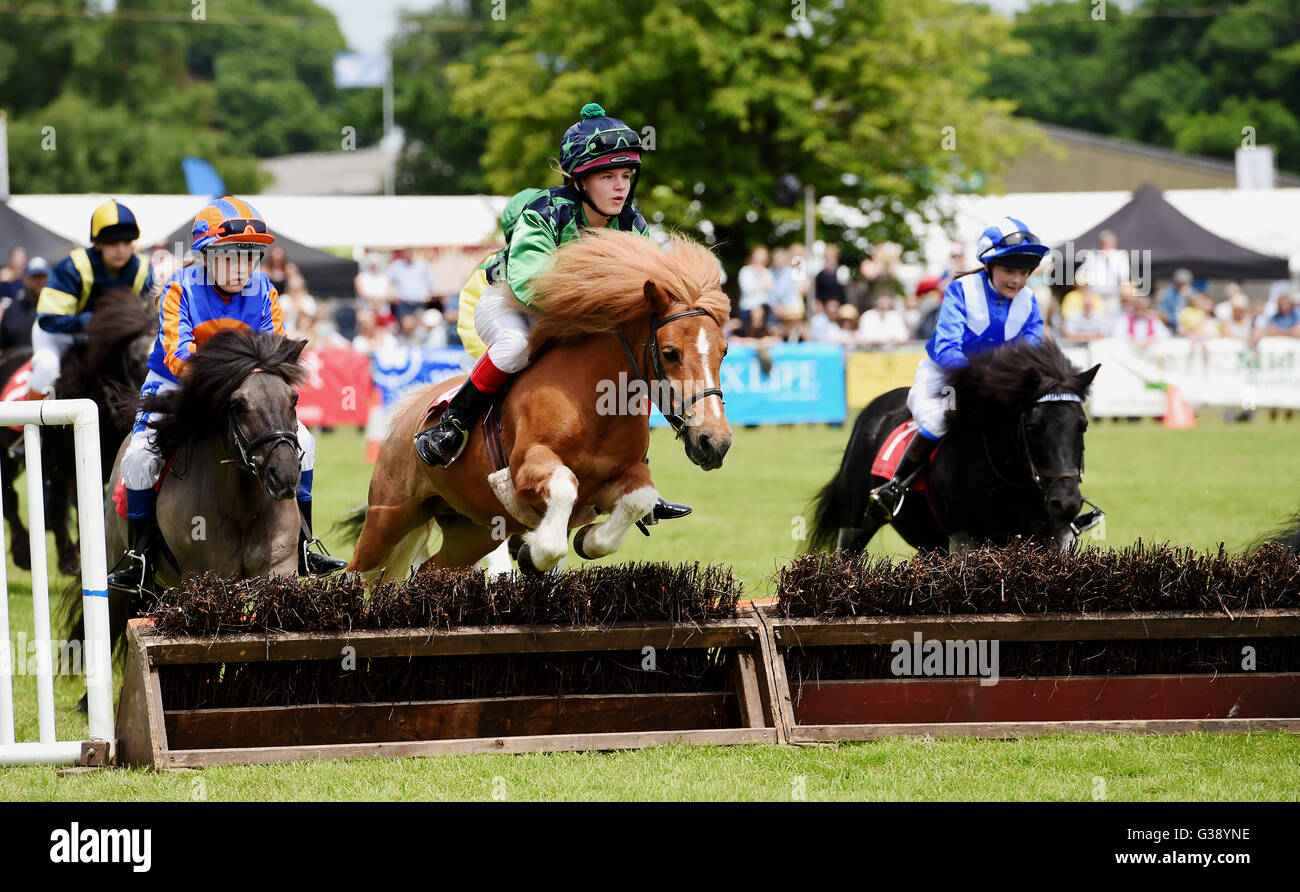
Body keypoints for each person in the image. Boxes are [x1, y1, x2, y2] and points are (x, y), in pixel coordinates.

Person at [412, 102, 690, 525]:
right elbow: (529, 281)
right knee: (515, 348)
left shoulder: (631, 221)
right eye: (607, 176)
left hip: (579, 321)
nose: (620, 187)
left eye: (626, 176)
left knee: (630, 363)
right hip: (514, 307)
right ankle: (452, 425)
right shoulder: (544, 211)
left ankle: (635, 476)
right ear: (579, 180)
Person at [107, 197, 347, 592]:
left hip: (248, 386)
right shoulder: (179, 288)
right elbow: (179, 356)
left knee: (304, 441)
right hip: (176, 384)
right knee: (139, 457)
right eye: (232, 257)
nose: (242, 267)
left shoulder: (264, 289)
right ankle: (141, 559)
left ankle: (305, 545)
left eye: (250, 257)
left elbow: (276, 350)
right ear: (206, 256)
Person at [867, 217, 1048, 519]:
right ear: (989, 266)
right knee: (940, 419)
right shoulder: (961, 290)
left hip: (1000, 386)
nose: (1017, 280)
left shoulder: (1029, 302)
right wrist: (982, 378)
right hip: (946, 379)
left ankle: (1055, 500)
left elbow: (1033, 348)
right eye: (1009, 270)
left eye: (1024, 272)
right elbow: (946, 348)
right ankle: (895, 487)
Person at [28, 200, 154, 401]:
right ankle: (29, 425)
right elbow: (49, 319)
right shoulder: (73, 267)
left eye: (127, 242)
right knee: (47, 368)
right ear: (98, 244)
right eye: (113, 242)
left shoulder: (144, 268)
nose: (121, 249)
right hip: (60, 333)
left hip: (105, 338)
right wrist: (88, 322)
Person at [0, 257, 47, 350]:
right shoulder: (13, 309)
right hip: (17, 361)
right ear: (25, 279)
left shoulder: (56, 308)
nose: (39, 281)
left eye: (42, 277)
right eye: (34, 277)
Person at [387, 248, 437, 321]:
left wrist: (429, 295)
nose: (408, 254)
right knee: (404, 326)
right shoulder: (396, 266)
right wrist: (392, 296)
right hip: (403, 303)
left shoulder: (422, 264)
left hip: (419, 303)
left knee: (419, 326)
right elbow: (388, 281)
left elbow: (430, 281)